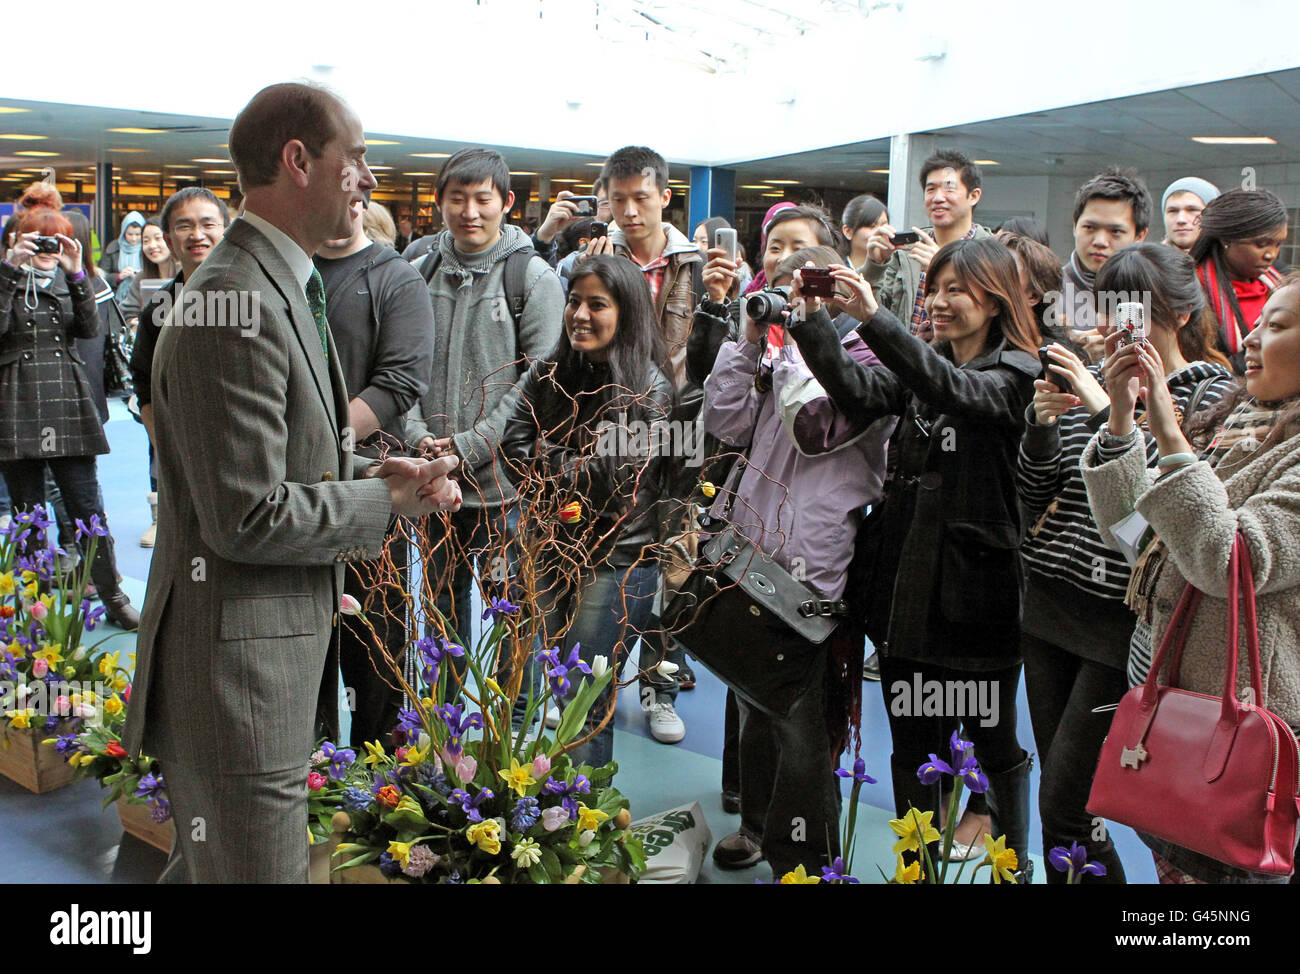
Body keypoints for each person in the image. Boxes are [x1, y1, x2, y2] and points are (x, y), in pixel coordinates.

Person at [120, 82, 461, 884]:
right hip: (238, 680)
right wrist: (388, 501)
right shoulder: (238, 300)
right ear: (299, 160)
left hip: (255, 667)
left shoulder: (277, 285)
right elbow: (247, 514)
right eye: (360, 158)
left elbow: (288, 460)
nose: (371, 180)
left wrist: (377, 470)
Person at [786, 237, 1042, 882]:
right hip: (905, 595)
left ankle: (1013, 866)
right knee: (913, 749)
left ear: (997, 298)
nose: (943, 301)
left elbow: (956, 390)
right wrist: (812, 319)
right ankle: (917, 872)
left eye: (958, 288)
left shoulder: (1017, 374)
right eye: (936, 288)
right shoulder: (926, 367)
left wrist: (876, 319)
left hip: (974, 603)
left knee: (992, 744)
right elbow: (857, 389)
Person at [1017, 243, 1235, 884]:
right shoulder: (1097, 372)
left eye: (1138, 309)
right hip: (1050, 605)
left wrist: (1106, 409)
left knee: (1068, 805)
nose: (1121, 325)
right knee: (1061, 807)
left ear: (1180, 311)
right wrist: (1040, 426)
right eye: (1111, 305)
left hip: (1123, 625)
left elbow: (1170, 521)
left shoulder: (1211, 396)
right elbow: (1037, 493)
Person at [1081, 272, 1300, 884]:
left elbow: (1232, 562)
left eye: (1277, 326)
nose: (1252, 338)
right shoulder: (1242, 426)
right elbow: (1140, 540)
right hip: (1183, 717)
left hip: (1247, 747)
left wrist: (1171, 435)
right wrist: (1124, 422)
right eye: (1258, 323)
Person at [701, 245, 895, 878]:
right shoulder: (772, 348)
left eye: (810, 291)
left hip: (811, 562)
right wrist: (747, 341)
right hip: (747, 541)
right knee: (754, 700)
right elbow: (725, 424)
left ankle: (807, 860)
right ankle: (757, 827)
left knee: (802, 723)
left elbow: (818, 429)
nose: (795, 303)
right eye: (784, 290)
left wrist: (794, 347)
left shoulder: (869, 361)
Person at [499, 255, 671, 768]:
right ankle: (551, 812)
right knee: (545, 676)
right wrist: (571, 462)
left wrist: (547, 457)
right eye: (574, 301)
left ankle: (583, 823)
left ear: (627, 313)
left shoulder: (651, 389)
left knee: (585, 693)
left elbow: (615, 481)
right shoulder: (547, 372)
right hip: (548, 544)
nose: (579, 314)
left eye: (597, 304)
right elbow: (511, 449)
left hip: (616, 558)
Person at [405, 147, 564, 656]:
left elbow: (539, 377)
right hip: (433, 486)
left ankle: (510, 725)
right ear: (438, 202)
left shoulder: (532, 278)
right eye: (458, 199)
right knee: (440, 619)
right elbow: (398, 363)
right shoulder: (417, 272)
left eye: (482, 199)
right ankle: (444, 721)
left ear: (507, 202)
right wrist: (414, 434)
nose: (470, 212)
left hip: (504, 493)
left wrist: (474, 444)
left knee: (510, 613)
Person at [315, 197, 435, 745]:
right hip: (293, 490)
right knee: (304, 641)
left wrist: (324, 443)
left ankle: (379, 778)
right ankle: (311, 775)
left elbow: (399, 382)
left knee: (374, 639)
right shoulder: (288, 268)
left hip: (373, 488)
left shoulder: (395, 279)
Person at [0, 201, 141, 630]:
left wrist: (78, 272)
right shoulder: (4, 278)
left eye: (57, 239)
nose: (48, 248)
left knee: (87, 508)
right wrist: (10, 268)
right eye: (39, 239)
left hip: (65, 402)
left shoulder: (71, 278)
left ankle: (113, 596)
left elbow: (89, 330)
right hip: (16, 402)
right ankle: (33, 603)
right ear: (16, 239)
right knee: (28, 514)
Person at [128, 188, 232, 550]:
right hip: (183, 461)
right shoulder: (159, 309)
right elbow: (144, 383)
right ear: (169, 238)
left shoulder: (257, 299)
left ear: (226, 230)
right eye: (184, 226)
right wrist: (168, 446)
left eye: (208, 224)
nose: (197, 235)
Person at [863, 149, 990, 341]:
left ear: (973, 196)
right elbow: (871, 315)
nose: (938, 197)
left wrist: (944, 268)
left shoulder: (993, 252)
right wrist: (874, 265)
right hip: (905, 364)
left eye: (949, 188)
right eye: (931, 189)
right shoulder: (905, 252)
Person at [1189, 188, 1289, 373]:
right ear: (1227, 239)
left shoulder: (1281, 283)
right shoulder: (1191, 293)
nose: (1271, 255)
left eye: (1278, 244)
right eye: (1261, 244)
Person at [1057, 168, 1152, 360]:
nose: (1100, 241)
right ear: (1075, 226)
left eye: (1115, 231)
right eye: (1089, 227)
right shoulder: (1045, 290)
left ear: (1140, 236)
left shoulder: (1156, 295)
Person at [1160, 177, 1219, 254]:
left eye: (1192, 210)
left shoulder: (1232, 263)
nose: (1181, 220)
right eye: (1173, 211)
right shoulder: (1147, 263)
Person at [840, 194, 888, 273]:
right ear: (848, 232)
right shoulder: (836, 270)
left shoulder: (894, 270)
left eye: (884, 225)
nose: (880, 232)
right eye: (872, 226)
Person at [99, 210, 146, 289]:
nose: (134, 239)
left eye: (138, 234)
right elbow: (102, 275)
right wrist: (119, 277)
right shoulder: (113, 248)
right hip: (117, 296)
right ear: (123, 233)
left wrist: (140, 276)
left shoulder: (147, 248)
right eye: (130, 234)